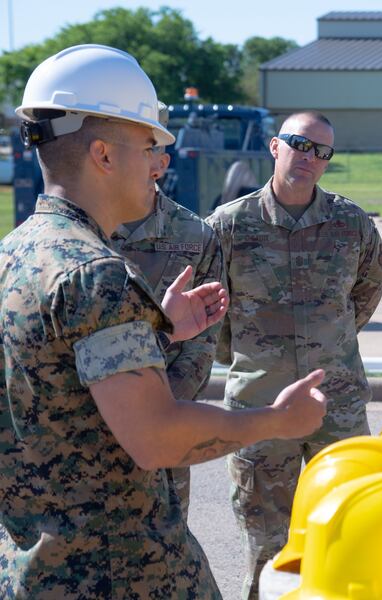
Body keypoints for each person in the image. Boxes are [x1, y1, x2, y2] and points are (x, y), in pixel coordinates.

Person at [0, 44, 327, 598]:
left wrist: (157, 332)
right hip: (114, 574)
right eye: (150, 145)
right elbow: (156, 439)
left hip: (38, 571)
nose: (160, 164)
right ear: (103, 155)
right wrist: (275, 419)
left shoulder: (16, 253)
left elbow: (52, 383)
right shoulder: (95, 274)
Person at [206, 110, 382, 599]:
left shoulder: (350, 224)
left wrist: (330, 341)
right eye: (299, 144)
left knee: (350, 535)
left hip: (339, 406)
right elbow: (210, 314)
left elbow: (366, 293)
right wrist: (252, 357)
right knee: (267, 546)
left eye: (321, 151)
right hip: (260, 408)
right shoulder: (228, 226)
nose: (309, 157)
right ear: (274, 147)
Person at [110, 102, 224, 521]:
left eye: (145, 147)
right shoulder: (81, 234)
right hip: (87, 425)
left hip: (165, 423)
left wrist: (159, 408)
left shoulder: (194, 236)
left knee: (164, 547)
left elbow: (204, 340)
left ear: (161, 163)